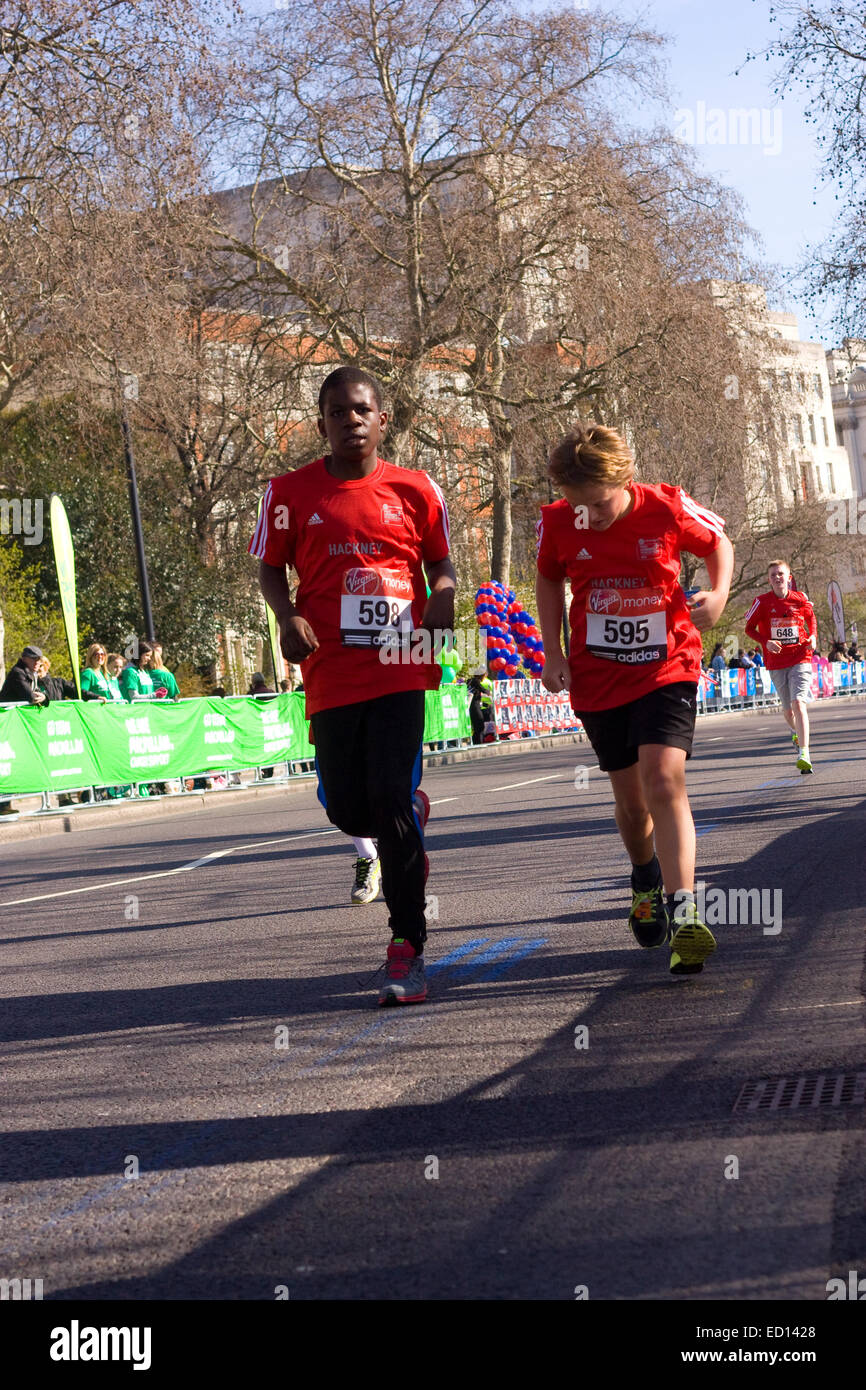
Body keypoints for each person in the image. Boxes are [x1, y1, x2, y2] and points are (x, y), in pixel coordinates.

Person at [250, 364, 454, 1005]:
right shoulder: (288, 492)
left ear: (382, 418)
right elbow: (271, 569)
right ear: (322, 424)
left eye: (361, 410)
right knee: (346, 809)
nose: (350, 421)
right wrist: (289, 618)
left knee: (390, 801)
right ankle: (407, 825)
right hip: (331, 672)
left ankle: (406, 948)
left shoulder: (417, 489)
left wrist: (444, 594)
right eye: (337, 412)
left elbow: (441, 562)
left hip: (401, 663)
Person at [537, 421, 733, 976]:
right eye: (579, 505)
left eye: (599, 505)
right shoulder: (557, 521)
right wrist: (553, 652)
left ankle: (686, 912)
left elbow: (719, 542)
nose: (590, 517)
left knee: (664, 777)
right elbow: (549, 580)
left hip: (667, 664)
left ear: (624, 479)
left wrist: (717, 595)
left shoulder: (665, 507)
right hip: (598, 676)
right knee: (631, 803)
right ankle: (644, 875)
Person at [744, 560, 816, 773]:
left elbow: (811, 619)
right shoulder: (761, 602)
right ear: (769, 579)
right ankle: (796, 733)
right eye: (773, 574)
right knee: (787, 711)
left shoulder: (800, 598)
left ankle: (805, 753)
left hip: (801, 656)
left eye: (781, 574)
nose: (777, 577)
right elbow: (749, 628)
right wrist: (765, 641)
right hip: (776, 662)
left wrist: (812, 636)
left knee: (798, 703)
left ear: (789, 577)